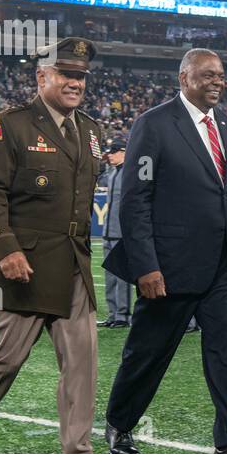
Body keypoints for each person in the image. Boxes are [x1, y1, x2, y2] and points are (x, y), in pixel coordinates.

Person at [0, 37, 114, 454]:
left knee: (82, 363)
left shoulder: (93, 131)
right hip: (20, 266)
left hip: (73, 266)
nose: (75, 83)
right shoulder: (10, 125)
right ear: (42, 77)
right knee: (5, 358)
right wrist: (7, 249)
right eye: (66, 74)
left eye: (80, 76)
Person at [103, 48, 227, 454]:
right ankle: (119, 423)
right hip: (169, 266)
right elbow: (135, 201)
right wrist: (145, 266)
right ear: (184, 78)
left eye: (222, 76)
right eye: (208, 74)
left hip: (221, 266)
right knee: (148, 352)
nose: (218, 81)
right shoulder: (153, 124)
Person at [98, 139, 131, 329]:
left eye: (114, 151)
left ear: (124, 152)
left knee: (121, 276)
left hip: (120, 233)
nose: (110, 155)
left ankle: (123, 315)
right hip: (108, 232)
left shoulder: (129, 173)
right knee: (110, 275)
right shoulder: (112, 174)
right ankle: (113, 313)